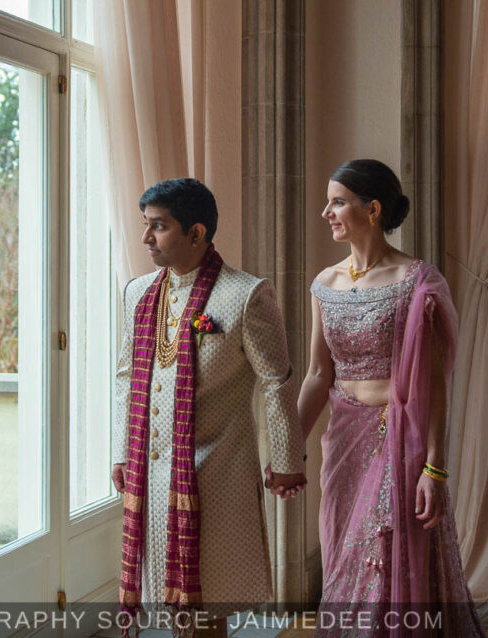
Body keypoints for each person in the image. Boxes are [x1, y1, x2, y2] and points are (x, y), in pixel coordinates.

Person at [296, 160, 486, 636]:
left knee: (385, 556)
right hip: (343, 442)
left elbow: (435, 383)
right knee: (343, 555)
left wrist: (435, 468)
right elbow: (319, 373)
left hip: (401, 441)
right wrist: (287, 446)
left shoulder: (416, 281)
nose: (326, 213)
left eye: (337, 201)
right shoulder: (325, 284)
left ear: (373, 208)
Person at [111, 178, 306, 637]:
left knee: (207, 604)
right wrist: (121, 451)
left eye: (158, 227)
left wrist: (285, 461)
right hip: (150, 474)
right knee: (164, 600)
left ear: (196, 234)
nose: (146, 239)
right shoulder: (138, 293)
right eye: (145, 225)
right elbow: (126, 377)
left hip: (217, 473)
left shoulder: (246, 294)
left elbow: (276, 383)